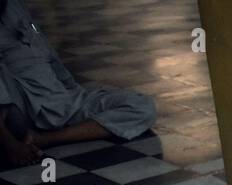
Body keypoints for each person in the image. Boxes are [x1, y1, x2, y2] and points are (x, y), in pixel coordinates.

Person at [0, 0, 156, 166]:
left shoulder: (15, 7)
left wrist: (73, 91)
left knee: (143, 106)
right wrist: (12, 146)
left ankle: (45, 139)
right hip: (24, 111)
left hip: (63, 101)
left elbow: (48, 55)